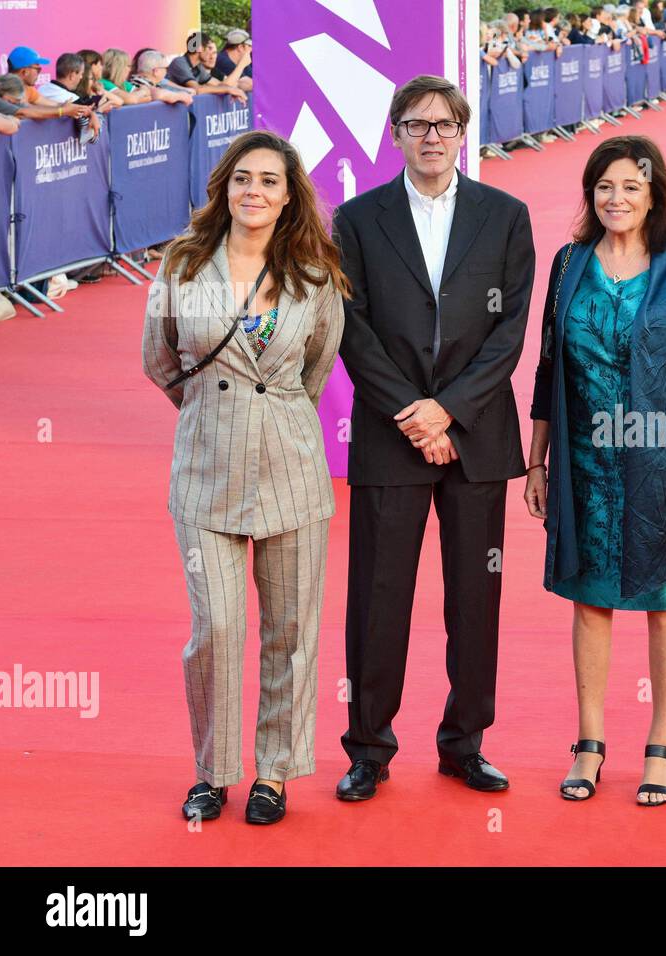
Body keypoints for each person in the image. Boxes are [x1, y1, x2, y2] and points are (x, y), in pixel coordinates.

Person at [331, 74, 535, 800]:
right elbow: (351, 329)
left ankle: (465, 743)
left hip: (475, 435)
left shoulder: (505, 216)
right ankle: (369, 750)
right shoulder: (357, 220)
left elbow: (509, 330)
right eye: (417, 125)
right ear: (395, 134)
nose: (431, 137)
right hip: (392, 438)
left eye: (445, 125)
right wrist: (414, 414)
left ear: (461, 133)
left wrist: (448, 411)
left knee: (475, 600)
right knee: (378, 598)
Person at [141, 129, 348, 825]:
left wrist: (273, 418)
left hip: (292, 474)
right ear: (223, 187)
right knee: (216, 630)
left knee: (290, 633)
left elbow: (314, 368)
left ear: (290, 197)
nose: (253, 191)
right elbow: (160, 360)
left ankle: (275, 773)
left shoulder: (315, 274)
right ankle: (213, 769)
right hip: (204, 476)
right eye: (242, 178)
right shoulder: (182, 263)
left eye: (268, 181)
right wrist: (212, 412)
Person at [526, 135, 666, 806]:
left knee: (665, 603)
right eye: (605, 187)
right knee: (590, 599)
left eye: (632, 187)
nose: (617, 198)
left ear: (654, 193)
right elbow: (549, 364)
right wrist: (537, 459)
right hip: (583, 461)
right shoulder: (568, 264)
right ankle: (589, 741)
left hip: (661, 461)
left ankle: (663, 743)